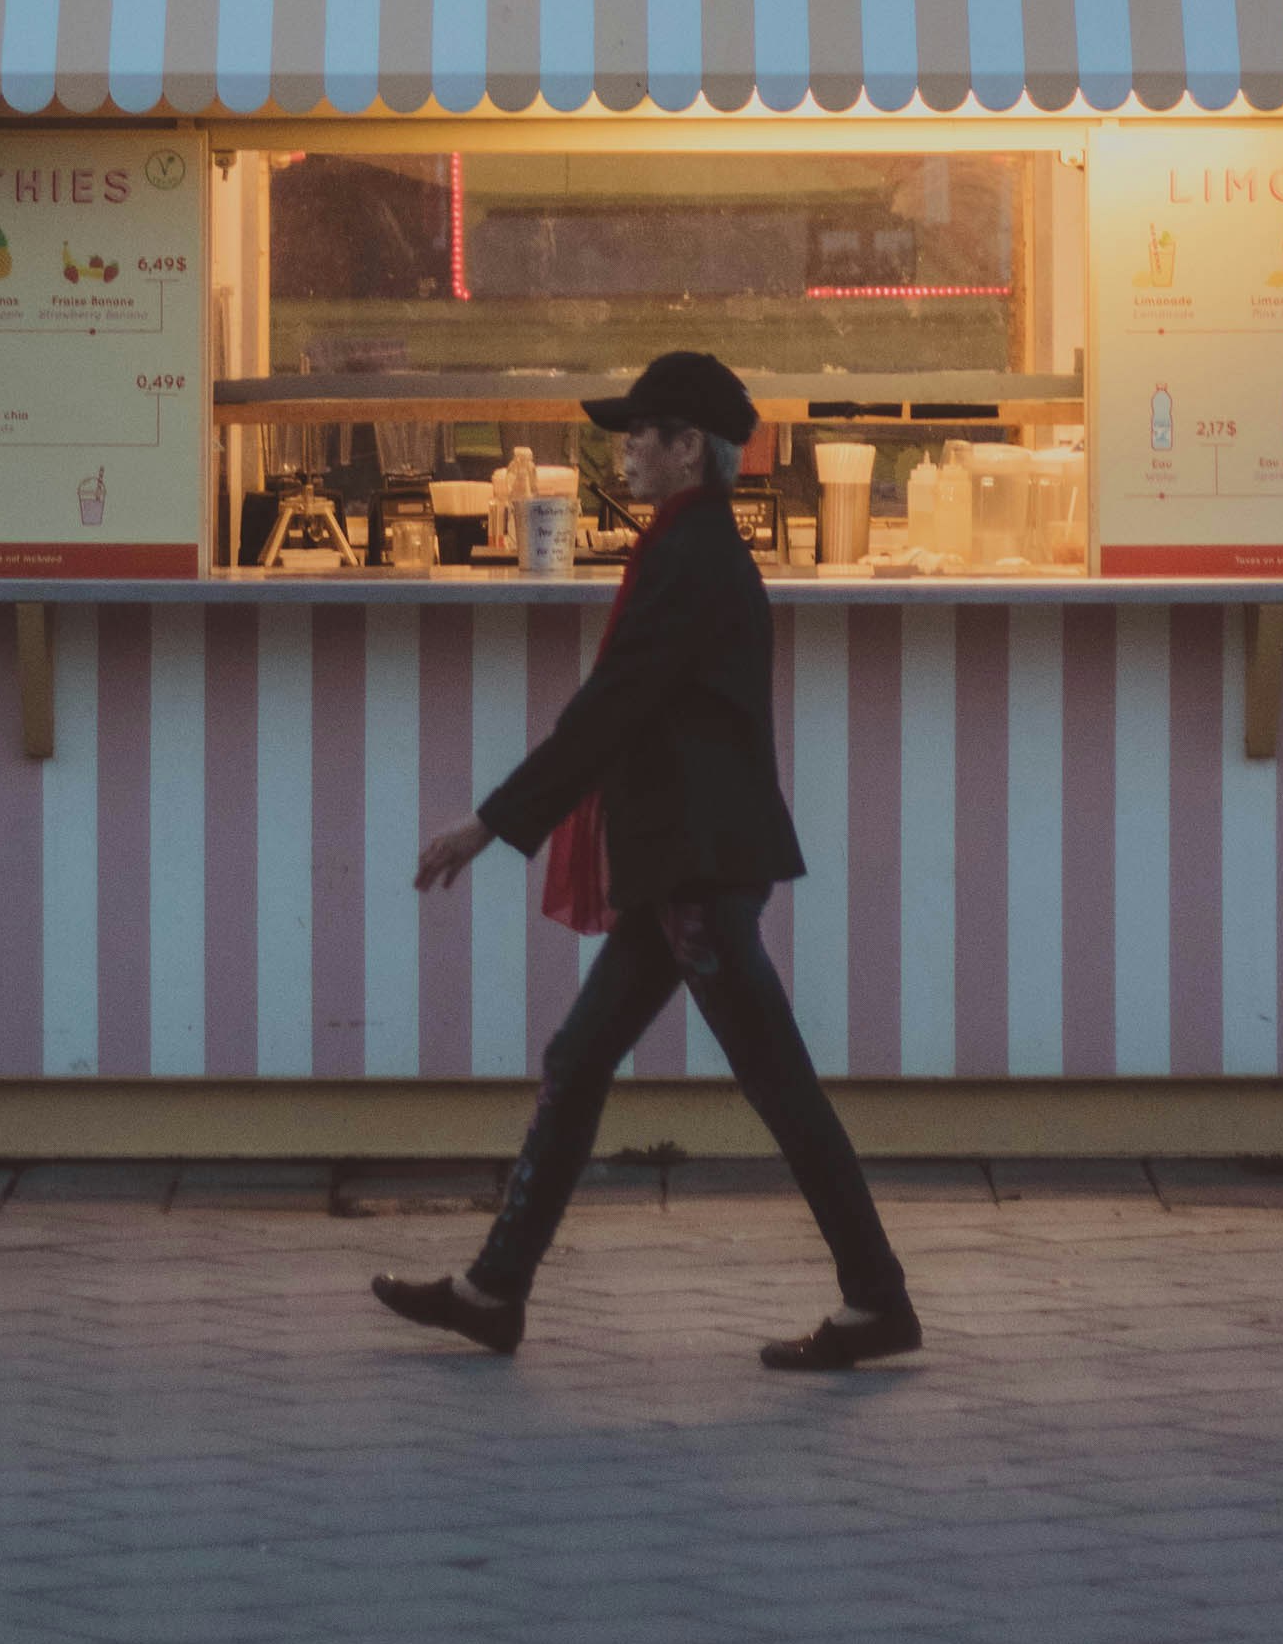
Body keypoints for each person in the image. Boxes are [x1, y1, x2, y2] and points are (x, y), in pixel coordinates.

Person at [372, 349, 921, 1374]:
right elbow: (625, 709)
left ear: (687, 449)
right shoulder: (691, 546)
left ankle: (878, 1298)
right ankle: (496, 1291)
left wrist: (490, 822)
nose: (622, 450)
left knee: (777, 1085)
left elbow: (612, 707)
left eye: (640, 435)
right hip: (690, 865)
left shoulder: (691, 557)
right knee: (583, 1061)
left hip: (698, 872)